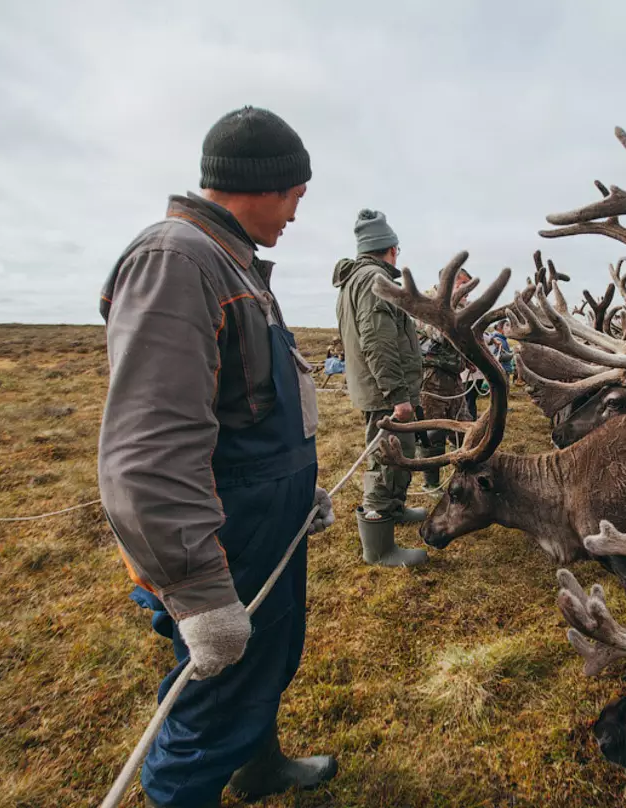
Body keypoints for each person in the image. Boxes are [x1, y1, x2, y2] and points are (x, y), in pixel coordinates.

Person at [98, 106, 337, 808]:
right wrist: (199, 590)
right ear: (259, 184)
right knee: (209, 705)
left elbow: (252, 406)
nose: (298, 208)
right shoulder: (176, 261)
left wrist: (300, 488)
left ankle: (257, 766)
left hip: (263, 524)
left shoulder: (230, 263)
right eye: (295, 191)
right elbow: (149, 451)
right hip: (222, 539)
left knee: (263, 665)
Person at [332, 209, 429, 567]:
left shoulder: (355, 280)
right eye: (396, 249)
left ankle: (394, 509)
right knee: (386, 457)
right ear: (389, 248)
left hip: (377, 390)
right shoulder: (374, 281)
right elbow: (378, 341)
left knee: (398, 453)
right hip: (385, 393)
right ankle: (379, 547)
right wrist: (398, 396)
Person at [416, 268, 474, 489]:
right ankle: (431, 484)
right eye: (463, 283)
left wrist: (468, 356)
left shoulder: (462, 309)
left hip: (454, 376)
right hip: (431, 376)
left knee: (464, 426)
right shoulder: (425, 303)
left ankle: (465, 475)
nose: (467, 290)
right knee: (433, 431)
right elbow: (441, 333)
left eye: (469, 284)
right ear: (447, 283)